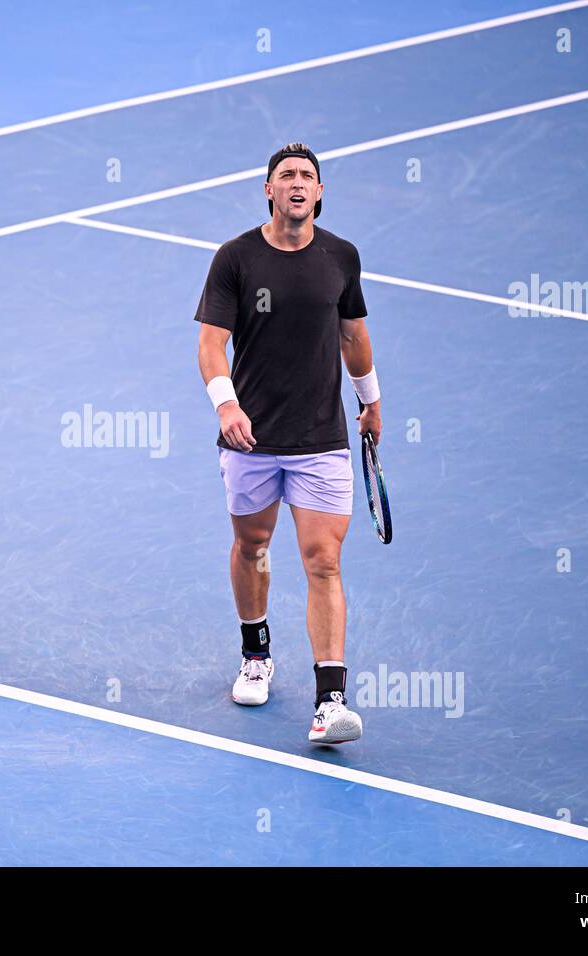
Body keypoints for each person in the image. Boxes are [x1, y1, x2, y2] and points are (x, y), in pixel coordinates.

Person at [193, 143, 382, 744]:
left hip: (321, 439)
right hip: (250, 438)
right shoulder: (236, 258)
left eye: (307, 176)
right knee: (252, 546)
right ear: (268, 190)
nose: (297, 183)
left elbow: (353, 336)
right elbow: (211, 343)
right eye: (286, 176)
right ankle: (256, 653)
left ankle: (330, 701)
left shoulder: (340, 257)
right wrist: (227, 404)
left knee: (323, 560)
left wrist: (371, 400)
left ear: (319, 192)